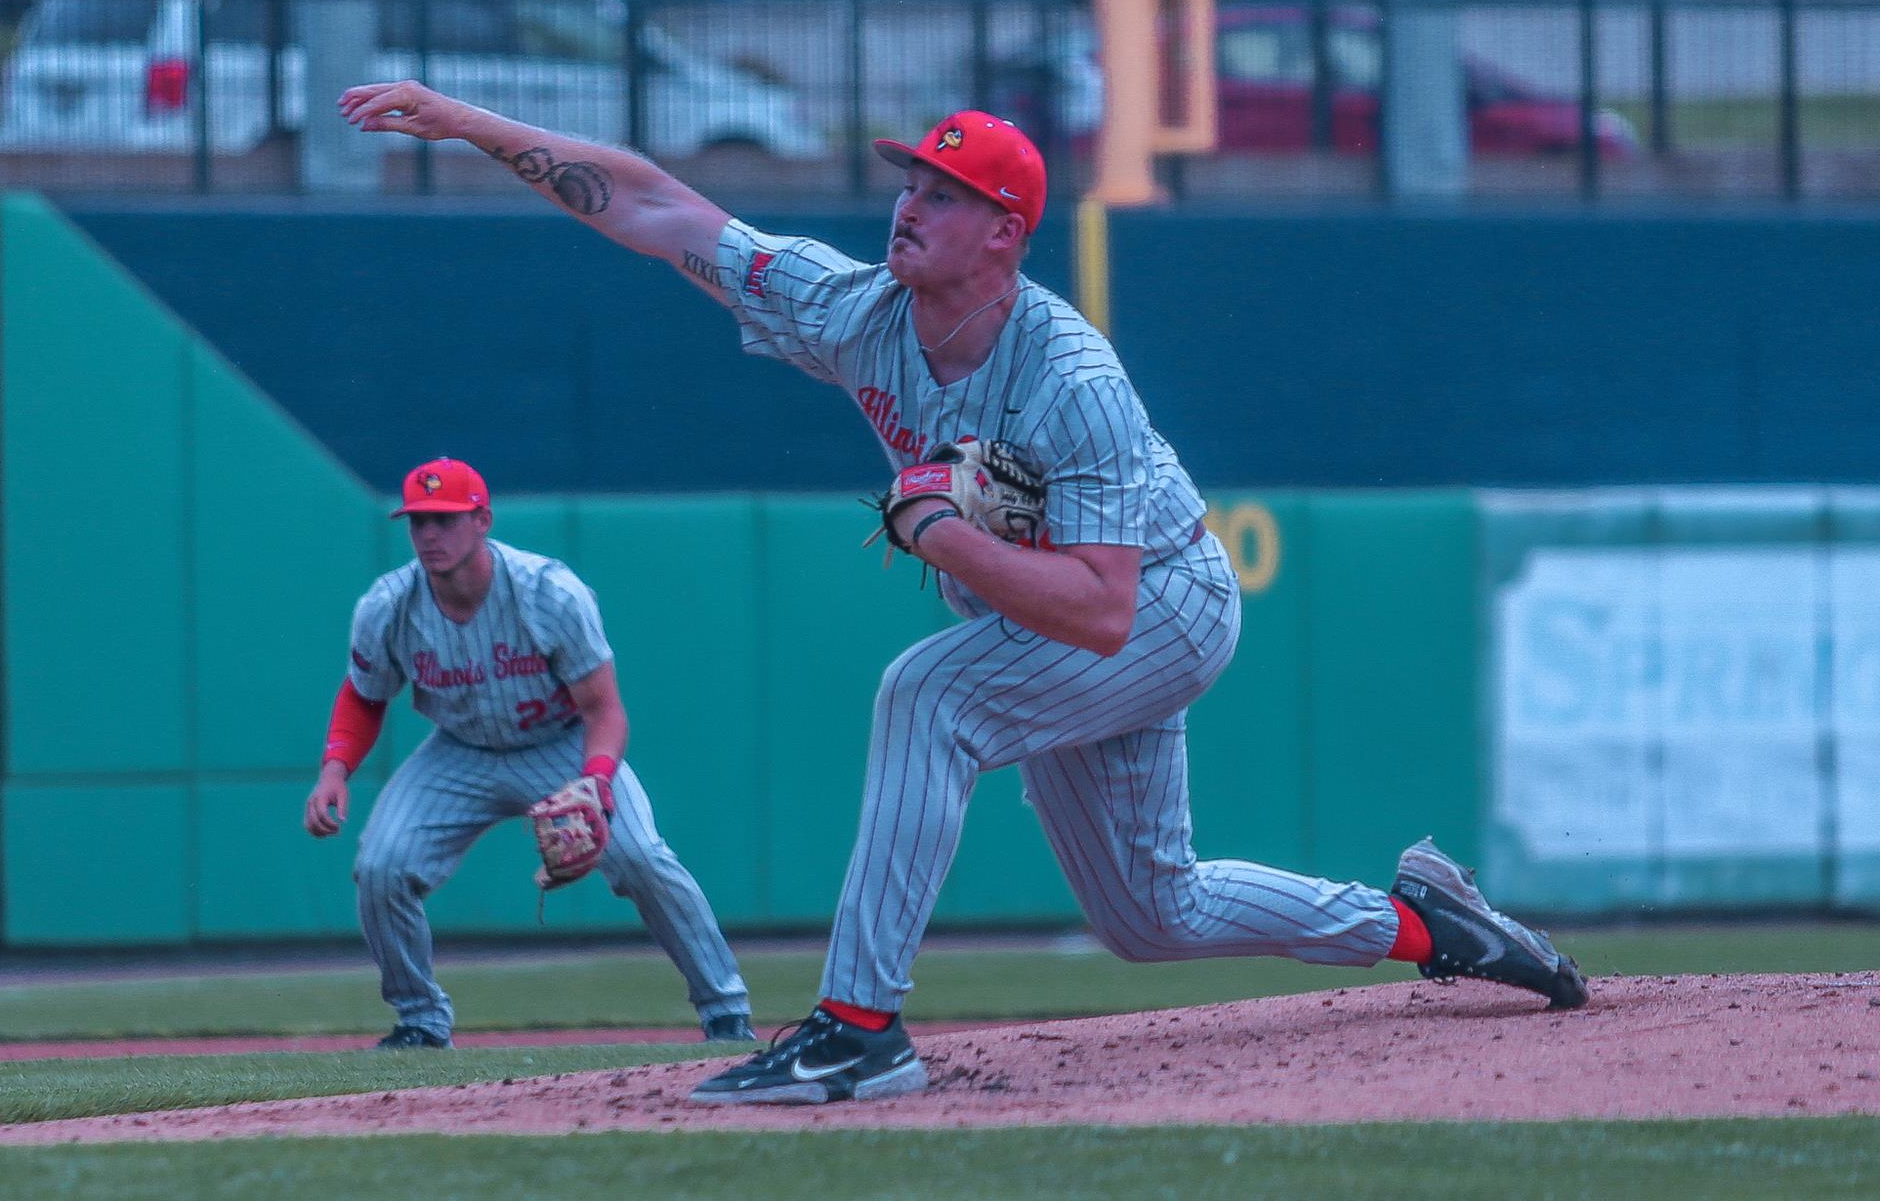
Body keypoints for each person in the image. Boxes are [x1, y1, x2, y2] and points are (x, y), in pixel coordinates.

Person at [335, 83, 1589, 1101]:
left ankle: (857, 1028)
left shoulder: (1068, 378)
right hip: (1053, 615)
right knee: (1150, 914)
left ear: (1004, 233)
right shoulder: (857, 311)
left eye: (944, 194)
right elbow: (663, 209)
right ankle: (1428, 926)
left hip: (1164, 602)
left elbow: (1101, 610)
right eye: (909, 183)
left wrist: (937, 533)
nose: (909, 206)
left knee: (926, 694)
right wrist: (470, 123)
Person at [303, 455, 755, 1048]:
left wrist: (596, 780)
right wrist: (335, 770)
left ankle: (725, 1010)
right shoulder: (388, 606)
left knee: (641, 857)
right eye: (419, 521)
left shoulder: (548, 592)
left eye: (445, 519)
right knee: (381, 866)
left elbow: (604, 710)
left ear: (482, 520)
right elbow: (364, 697)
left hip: (561, 743)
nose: (430, 534)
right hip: (459, 753)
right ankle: (419, 1021)